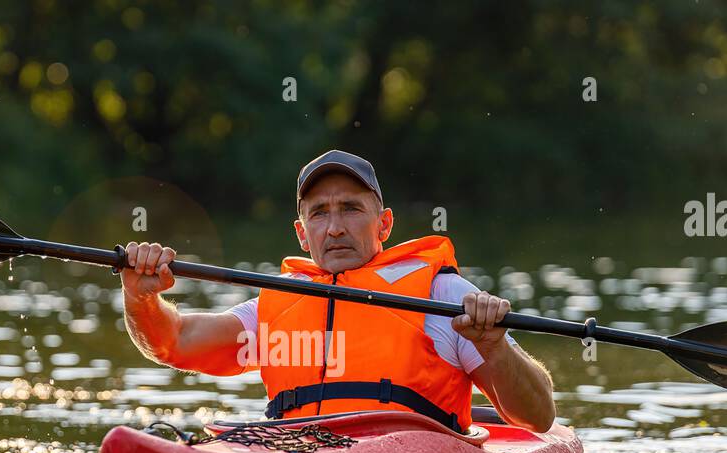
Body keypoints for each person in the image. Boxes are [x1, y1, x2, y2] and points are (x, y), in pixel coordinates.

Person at [118, 150, 556, 433]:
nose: (336, 227)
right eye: (320, 214)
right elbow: (173, 342)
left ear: (383, 224)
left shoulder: (443, 295)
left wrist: (495, 348)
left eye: (351, 208)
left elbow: (537, 417)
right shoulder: (277, 302)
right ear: (302, 233)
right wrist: (141, 298)